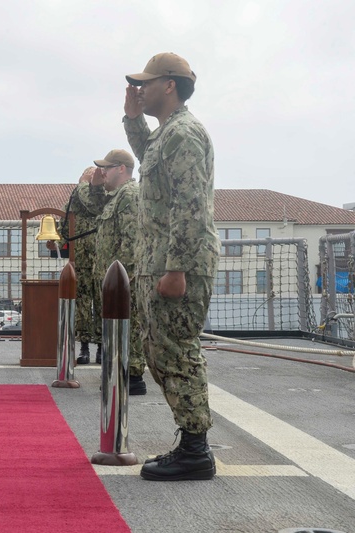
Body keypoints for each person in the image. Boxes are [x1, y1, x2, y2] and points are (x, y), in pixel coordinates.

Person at [123, 53, 220, 480]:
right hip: (159, 260)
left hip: (177, 264)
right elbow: (149, 159)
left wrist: (176, 268)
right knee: (160, 351)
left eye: (147, 83)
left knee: (177, 352)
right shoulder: (166, 135)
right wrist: (131, 118)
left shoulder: (184, 133)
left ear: (170, 85)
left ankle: (197, 451)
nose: (139, 89)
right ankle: (190, 441)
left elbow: (191, 204)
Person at [77, 150, 146, 395]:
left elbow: (132, 240)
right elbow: (95, 206)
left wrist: (123, 279)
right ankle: (120, 372)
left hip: (124, 278)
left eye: (107, 168)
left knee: (130, 324)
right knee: (118, 326)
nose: (102, 172)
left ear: (121, 169)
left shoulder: (130, 195)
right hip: (112, 278)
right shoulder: (116, 196)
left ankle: (132, 376)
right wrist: (92, 187)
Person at [58, 167, 103, 365]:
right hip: (81, 262)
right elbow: (65, 226)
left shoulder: (105, 197)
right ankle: (84, 347)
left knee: (103, 304)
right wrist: (56, 242)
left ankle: (103, 347)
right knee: (83, 306)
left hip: (103, 261)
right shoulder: (75, 200)